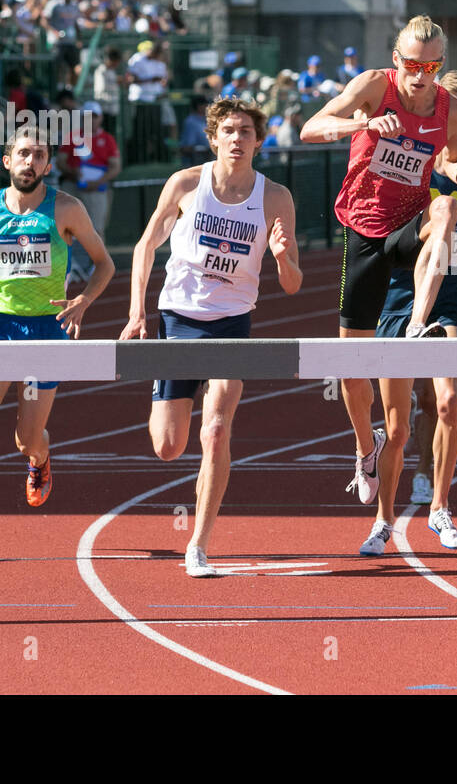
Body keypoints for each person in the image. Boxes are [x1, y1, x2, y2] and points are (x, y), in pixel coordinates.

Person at [298, 14, 457, 557]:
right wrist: (360, 127)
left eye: (431, 66)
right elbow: (309, 128)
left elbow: (450, 162)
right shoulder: (371, 87)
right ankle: (365, 449)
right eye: (412, 64)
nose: (420, 75)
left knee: (444, 213)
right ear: (396, 61)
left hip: (410, 229)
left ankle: (418, 317)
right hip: (363, 229)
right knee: (351, 370)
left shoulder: (449, 111)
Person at [120, 98, 301, 577]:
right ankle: (162, 398)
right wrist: (137, 311)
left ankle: (198, 545)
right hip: (177, 318)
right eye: (228, 130)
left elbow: (293, 284)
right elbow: (144, 245)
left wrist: (282, 257)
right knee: (168, 446)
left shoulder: (275, 197)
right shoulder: (185, 184)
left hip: (232, 322)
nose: (237, 139)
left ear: (259, 141)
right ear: (213, 138)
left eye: (246, 131)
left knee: (217, 431)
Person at [0, 124, 115, 558]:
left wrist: (82, 300)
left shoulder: (68, 209)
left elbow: (104, 264)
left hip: (46, 330)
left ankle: (39, 461)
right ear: (7, 161)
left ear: (47, 163)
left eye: (39, 155)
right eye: (23, 154)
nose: (30, 162)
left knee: (26, 438)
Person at [377, 69, 457, 548]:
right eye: (446, 112)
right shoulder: (411, 159)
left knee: (448, 402)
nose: (451, 122)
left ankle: (441, 508)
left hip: (449, 305)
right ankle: (383, 518)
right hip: (396, 298)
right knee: (397, 427)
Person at [58, 100, 120, 284]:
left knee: (97, 228)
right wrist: (73, 172)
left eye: (95, 116)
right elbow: (61, 161)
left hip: (97, 191)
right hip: (73, 187)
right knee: (66, 227)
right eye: (87, 116)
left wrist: (99, 181)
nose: (91, 120)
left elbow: (115, 166)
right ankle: (69, 266)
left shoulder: (108, 139)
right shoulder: (72, 137)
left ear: (100, 118)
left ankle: (97, 266)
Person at [179, 94, 212, 166]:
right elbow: (187, 147)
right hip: (195, 159)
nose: (208, 107)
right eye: (206, 104)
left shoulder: (209, 120)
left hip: (209, 156)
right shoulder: (190, 122)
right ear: (199, 106)